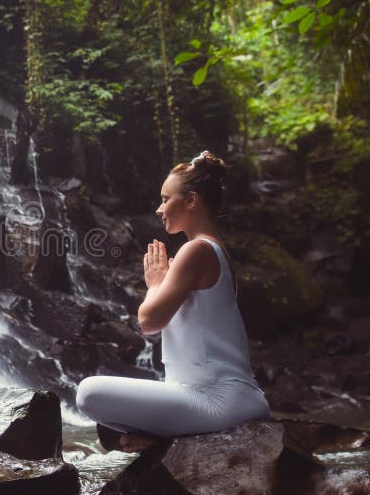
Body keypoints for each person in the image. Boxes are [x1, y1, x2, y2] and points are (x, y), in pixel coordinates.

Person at [75, 150, 269, 452]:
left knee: (88, 393)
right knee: (106, 418)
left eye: (166, 199)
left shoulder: (197, 251)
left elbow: (149, 322)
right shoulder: (208, 250)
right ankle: (164, 439)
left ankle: (163, 439)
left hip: (218, 398)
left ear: (191, 201)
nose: (158, 208)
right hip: (202, 395)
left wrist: (155, 284)